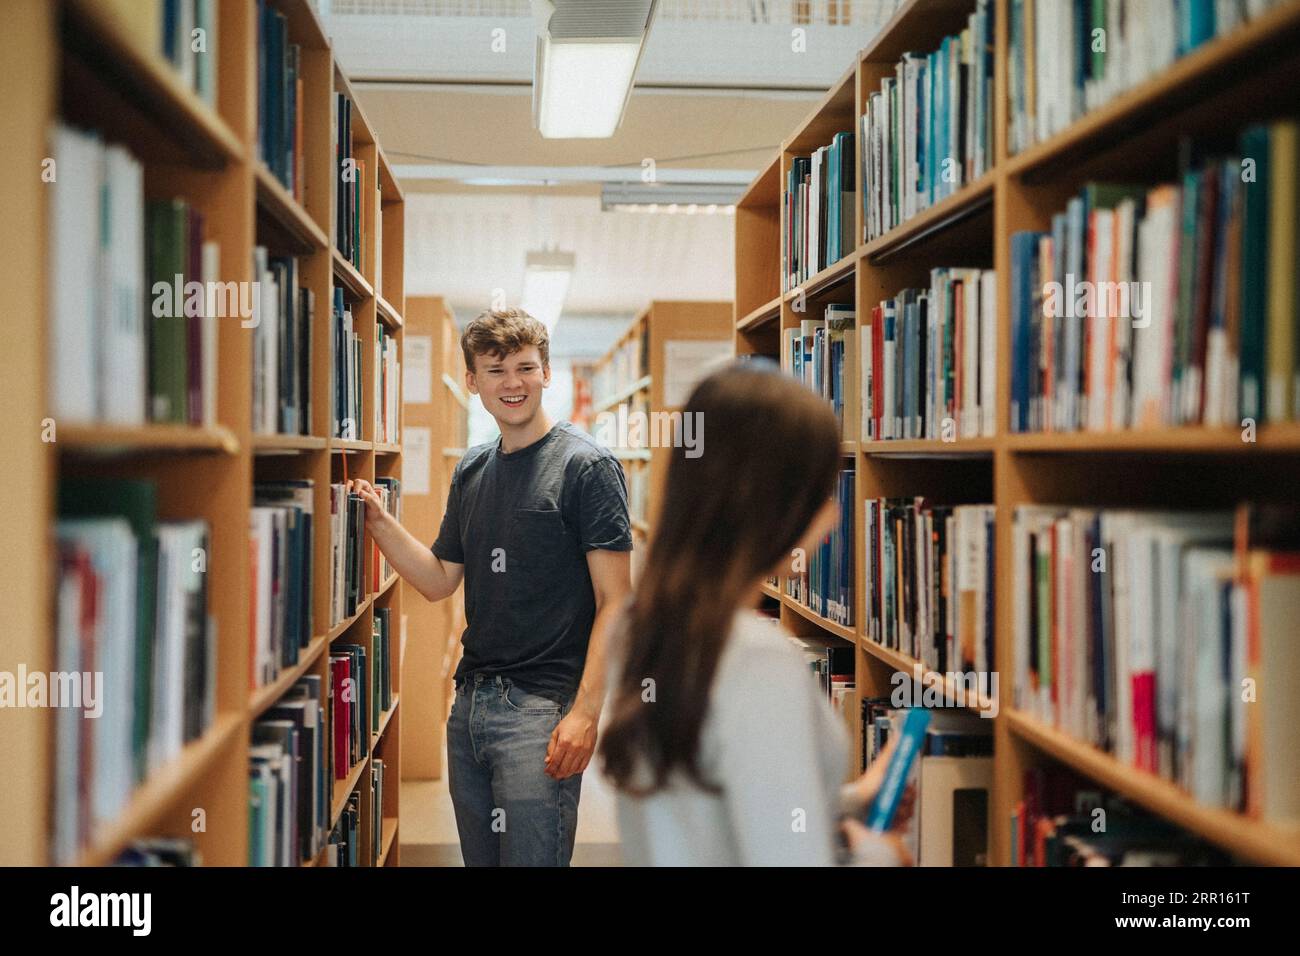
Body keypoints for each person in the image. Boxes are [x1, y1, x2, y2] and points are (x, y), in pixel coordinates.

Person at [599, 360, 914, 866]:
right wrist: (881, 856)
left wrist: (852, 800)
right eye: (821, 493)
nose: (835, 516)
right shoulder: (755, 658)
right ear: (772, 502)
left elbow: (702, 810)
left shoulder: (640, 626)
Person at [350, 308, 633, 866]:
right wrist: (381, 524)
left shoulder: (587, 468)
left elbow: (617, 601)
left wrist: (585, 714)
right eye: (496, 370)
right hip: (470, 707)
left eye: (526, 368)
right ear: (473, 380)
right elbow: (438, 580)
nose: (513, 383)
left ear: (547, 373)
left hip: (541, 713)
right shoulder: (473, 471)